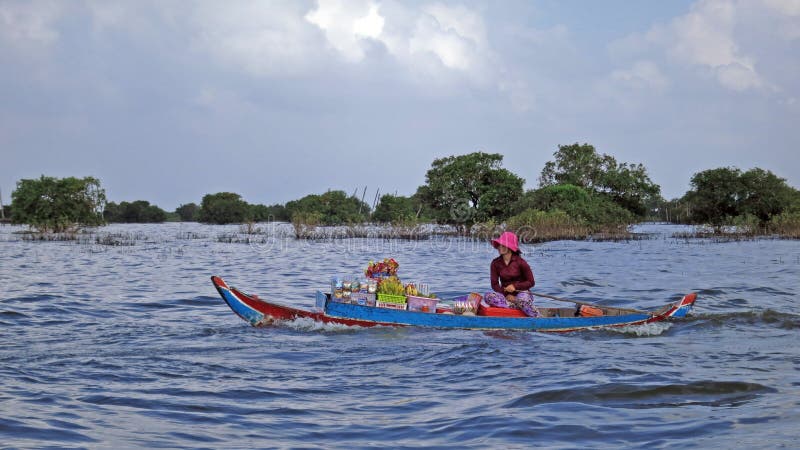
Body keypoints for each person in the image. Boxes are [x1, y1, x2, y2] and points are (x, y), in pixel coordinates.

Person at [485, 231, 539, 317]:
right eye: (499, 245)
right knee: (488, 297)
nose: (499, 247)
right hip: (505, 296)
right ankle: (516, 307)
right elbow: (494, 284)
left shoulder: (521, 262)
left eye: (503, 245)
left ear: (509, 247)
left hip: (522, 294)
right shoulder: (495, 263)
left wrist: (515, 287)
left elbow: (531, 282)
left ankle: (538, 317)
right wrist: (505, 294)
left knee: (523, 301)